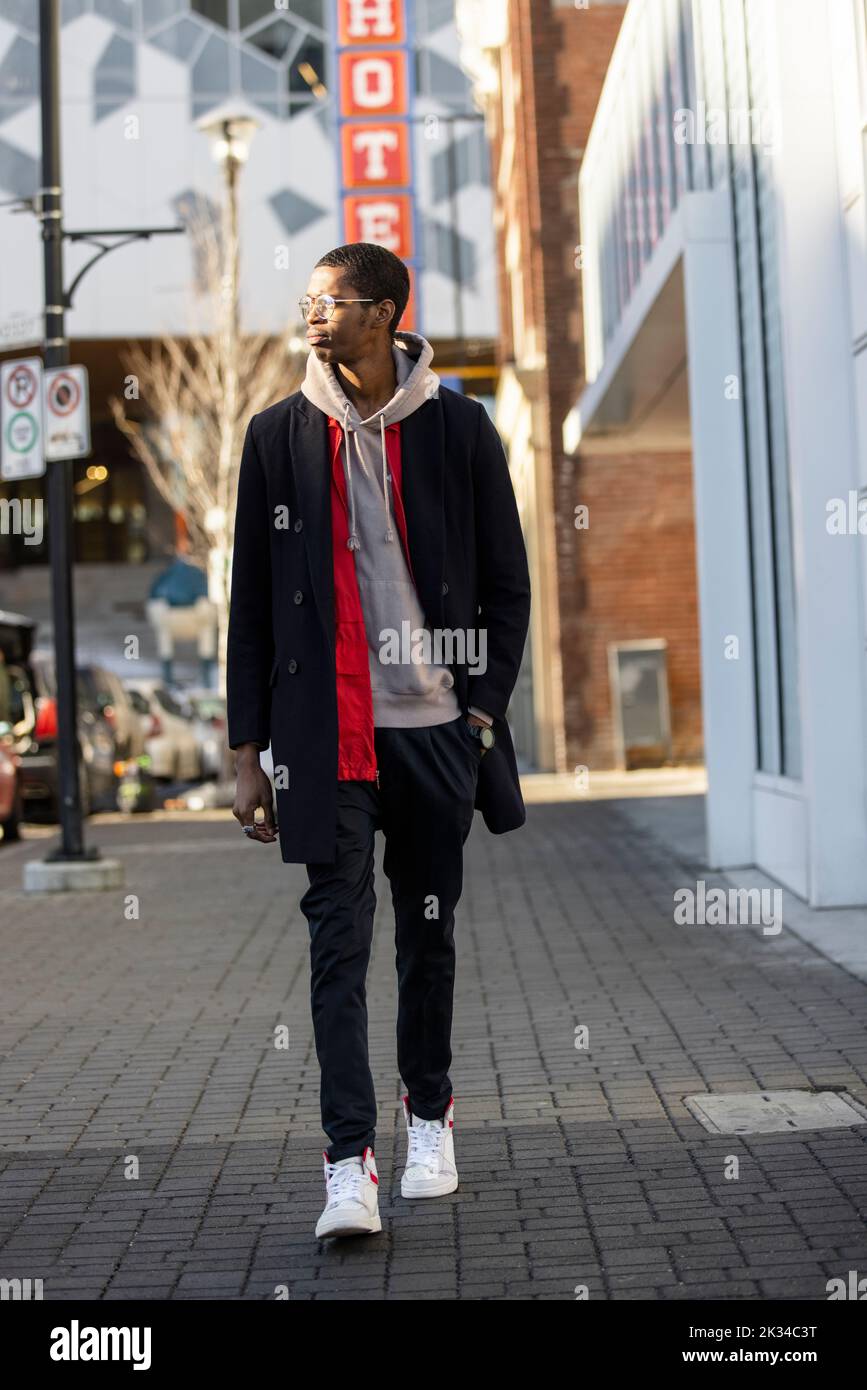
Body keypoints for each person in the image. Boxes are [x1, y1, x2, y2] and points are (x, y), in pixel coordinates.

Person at [227, 242, 530, 1240]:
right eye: (308, 300)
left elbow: (506, 583)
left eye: (336, 300)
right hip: (328, 738)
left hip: (435, 733)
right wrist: (246, 750)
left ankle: (430, 1117)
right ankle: (347, 1164)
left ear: (389, 312)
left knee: (428, 938)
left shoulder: (459, 428)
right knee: (337, 945)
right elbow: (253, 610)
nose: (315, 314)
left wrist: (478, 712)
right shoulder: (276, 438)